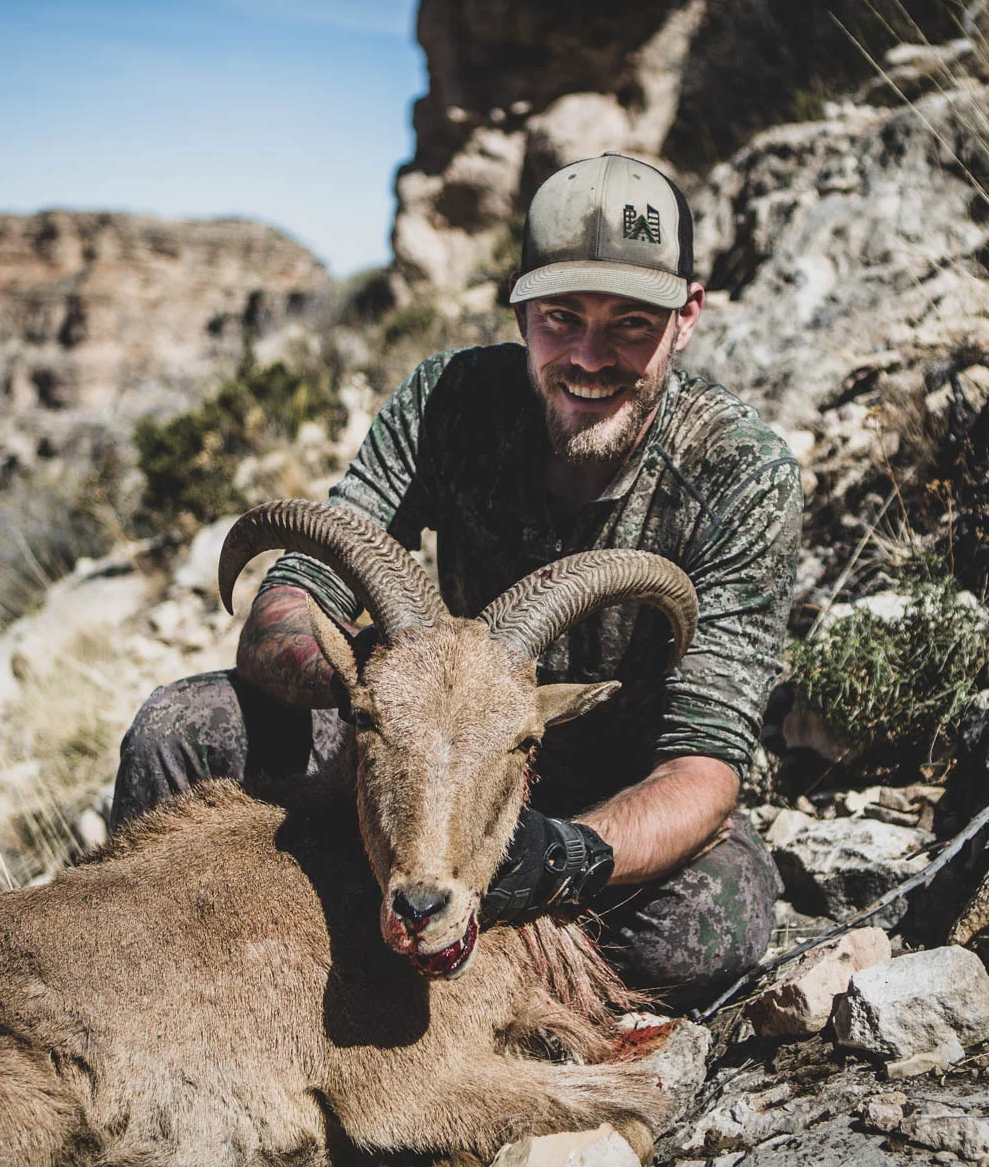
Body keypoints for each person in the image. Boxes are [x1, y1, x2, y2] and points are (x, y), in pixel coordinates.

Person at [112, 153, 802, 1009]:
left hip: (595, 805)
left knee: (711, 923)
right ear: (520, 310)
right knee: (181, 730)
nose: (589, 357)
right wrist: (407, 706)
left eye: (631, 323)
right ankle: (148, 992)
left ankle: (418, 976)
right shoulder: (447, 401)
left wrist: (564, 854)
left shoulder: (739, 474)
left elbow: (704, 768)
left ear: (686, 315)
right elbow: (284, 611)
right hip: (414, 764)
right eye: (560, 318)